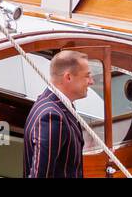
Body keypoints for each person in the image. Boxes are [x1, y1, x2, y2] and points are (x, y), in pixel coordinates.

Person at [24, 50, 92, 178]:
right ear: (68, 77)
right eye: (87, 76)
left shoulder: (54, 105)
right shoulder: (51, 117)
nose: (91, 81)